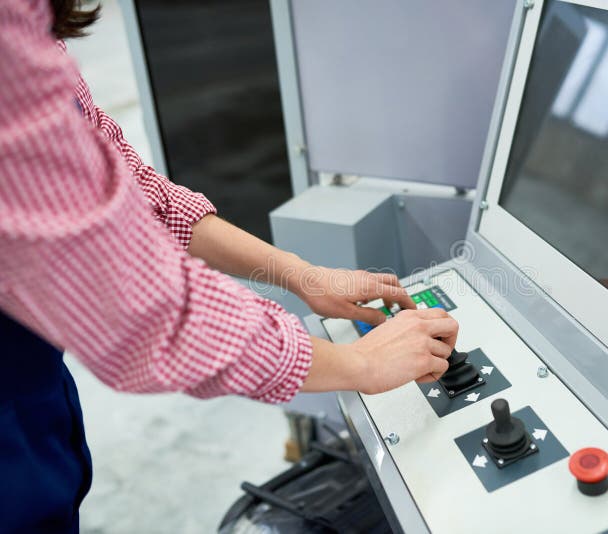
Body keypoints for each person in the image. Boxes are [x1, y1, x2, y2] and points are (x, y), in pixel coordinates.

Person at [0, 1, 458, 531]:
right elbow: (135, 305)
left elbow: (126, 185)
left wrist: (298, 274)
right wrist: (358, 365)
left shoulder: (25, 26)